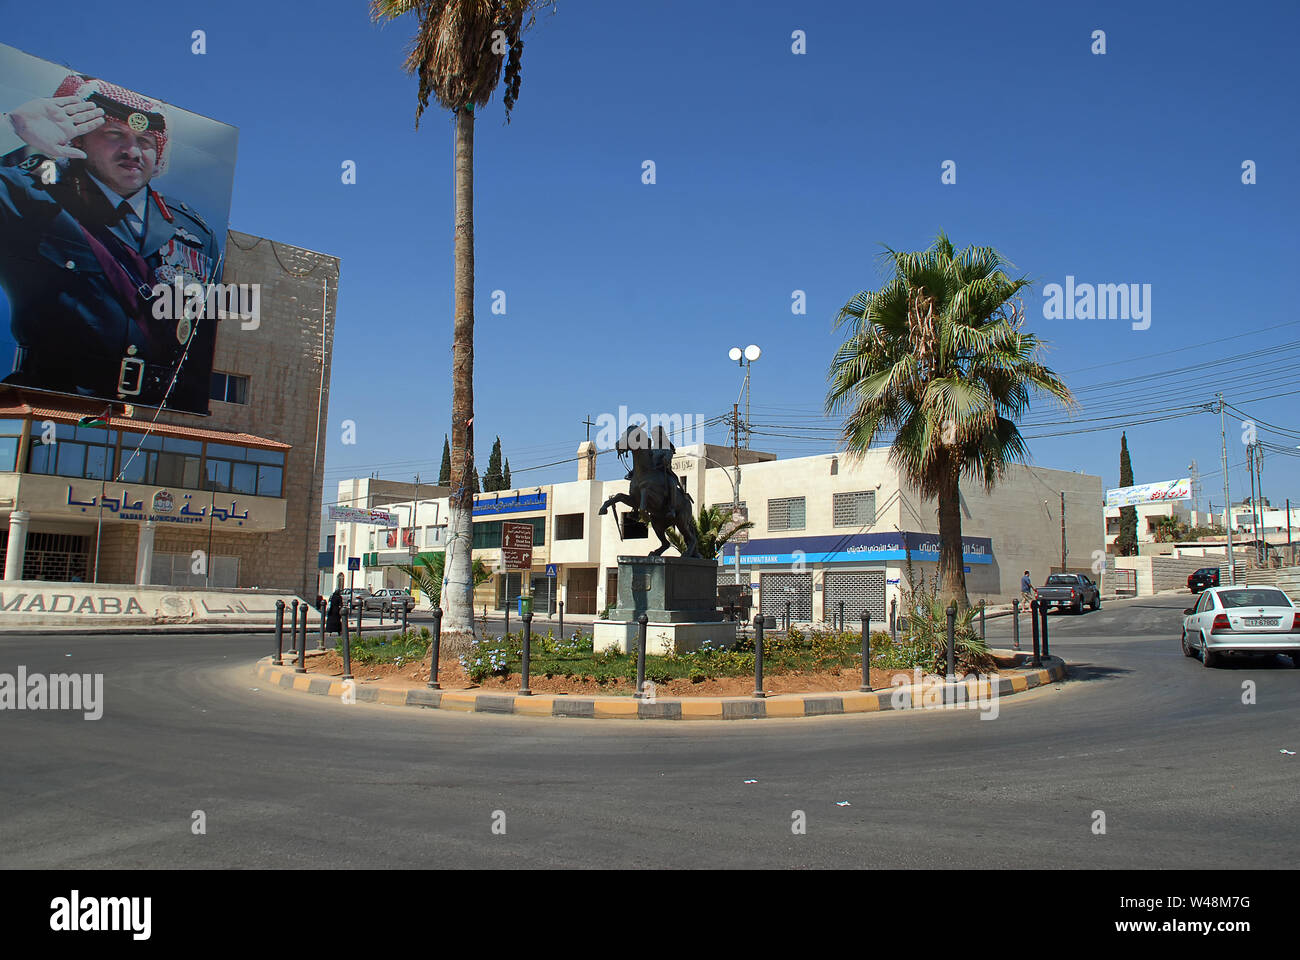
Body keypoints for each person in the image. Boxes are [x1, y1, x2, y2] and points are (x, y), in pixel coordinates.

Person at [0, 74, 220, 407]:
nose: (132, 151)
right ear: (81, 141)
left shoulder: (195, 232)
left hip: (151, 414)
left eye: (146, 141)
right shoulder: (25, 196)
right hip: (48, 401)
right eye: (115, 134)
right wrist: (11, 131)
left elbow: (202, 339)